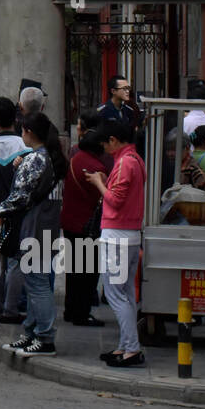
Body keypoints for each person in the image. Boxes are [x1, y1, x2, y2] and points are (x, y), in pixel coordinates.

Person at [0, 112, 66, 358]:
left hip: (32, 228)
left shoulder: (35, 159)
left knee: (37, 284)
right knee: (40, 282)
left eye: (22, 130)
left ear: (29, 132)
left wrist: (1, 210)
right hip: (48, 227)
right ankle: (32, 334)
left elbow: (20, 195)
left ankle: (44, 338)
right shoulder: (51, 158)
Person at [84, 119, 146, 367]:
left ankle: (131, 348)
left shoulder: (124, 163)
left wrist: (99, 183)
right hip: (130, 235)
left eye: (105, 142)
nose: (104, 147)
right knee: (127, 294)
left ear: (113, 140)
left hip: (117, 237)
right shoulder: (137, 160)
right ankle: (126, 345)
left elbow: (115, 200)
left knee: (115, 295)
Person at [62, 109, 108, 326]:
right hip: (87, 224)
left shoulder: (75, 156)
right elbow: (107, 195)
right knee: (88, 272)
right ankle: (81, 313)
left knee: (73, 270)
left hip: (71, 221)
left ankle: (71, 309)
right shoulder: (96, 167)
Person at [0, 96, 31, 322]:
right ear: (15, 117)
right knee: (16, 260)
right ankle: (11, 308)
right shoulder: (25, 147)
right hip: (20, 212)